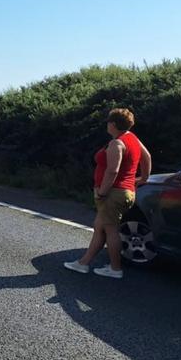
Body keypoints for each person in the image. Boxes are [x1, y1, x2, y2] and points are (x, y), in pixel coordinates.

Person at [64, 108, 152, 279]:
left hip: (113, 193)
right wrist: (143, 178)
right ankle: (83, 263)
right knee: (100, 227)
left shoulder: (117, 144)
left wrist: (102, 193)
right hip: (126, 191)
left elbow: (112, 171)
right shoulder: (132, 138)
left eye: (108, 122)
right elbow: (146, 156)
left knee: (110, 230)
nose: (107, 125)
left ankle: (115, 268)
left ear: (112, 124)